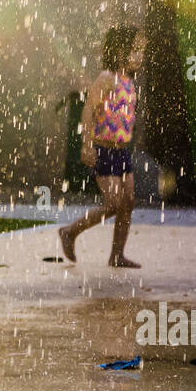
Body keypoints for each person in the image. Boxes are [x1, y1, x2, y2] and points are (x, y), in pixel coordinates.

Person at [59, 26, 145, 269]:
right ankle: (70, 231)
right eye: (135, 50)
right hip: (103, 150)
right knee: (114, 204)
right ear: (119, 52)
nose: (140, 56)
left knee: (128, 202)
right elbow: (88, 111)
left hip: (122, 151)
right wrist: (86, 145)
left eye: (142, 51)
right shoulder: (107, 77)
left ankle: (117, 256)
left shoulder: (128, 81)